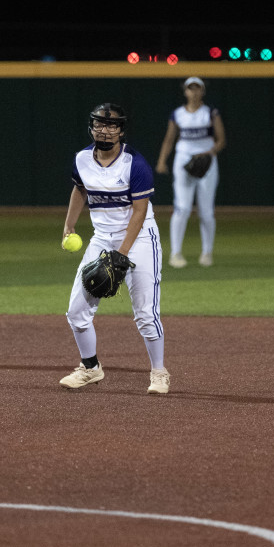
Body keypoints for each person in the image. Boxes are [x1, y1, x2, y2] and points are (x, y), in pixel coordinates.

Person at [60, 103, 169, 394]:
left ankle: (159, 372)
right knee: (76, 311)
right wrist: (69, 226)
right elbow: (80, 189)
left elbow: (139, 212)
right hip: (101, 238)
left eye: (111, 126)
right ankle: (90, 368)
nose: (105, 130)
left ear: (121, 130)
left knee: (145, 313)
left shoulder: (135, 164)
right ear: (91, 126)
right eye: (100, 124)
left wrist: (121, 253)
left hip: (141, 238)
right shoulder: (82, 158)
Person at [155, 76, 226, 268]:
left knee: (206, 212)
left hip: (206, 162)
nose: (193, 92)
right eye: (190, 89)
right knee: (182, 208)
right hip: (184, 160)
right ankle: (176, 253)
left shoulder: (210, 112)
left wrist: (209, 152)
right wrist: (162, 160)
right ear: (185, 91)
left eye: (197, 89)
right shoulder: (178, 114)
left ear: (202, 91)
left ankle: (207, 253)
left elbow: (221, 140)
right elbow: (169, 139)